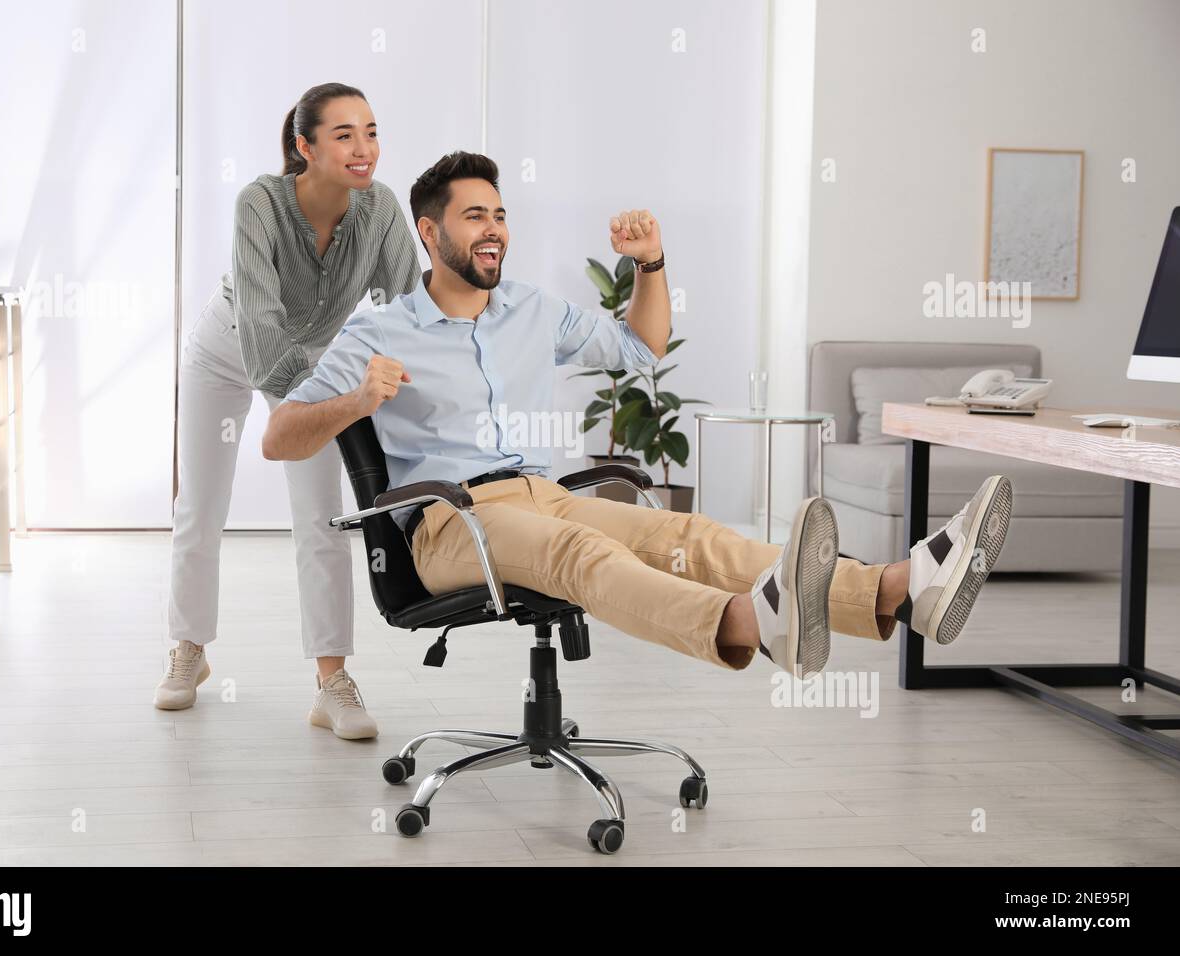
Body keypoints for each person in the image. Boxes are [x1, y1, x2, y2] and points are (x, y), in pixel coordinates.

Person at [260, 151, 1012, 679]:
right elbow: (278, 439)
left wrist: (649, 265)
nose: (492, 230)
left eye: (499, 214)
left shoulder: (529, 310)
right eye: (472, 217)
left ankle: (895, 589)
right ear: (429, 233)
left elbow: (641, 348)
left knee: (680, 533)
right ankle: (755, 624)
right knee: (586, 561)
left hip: (539, 495)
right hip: (448, 522)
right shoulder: (378, 330)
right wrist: (359, 399)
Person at [154, 83, 420, 739]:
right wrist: (309, 408)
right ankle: (188, 649)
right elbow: (262, 326)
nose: (365, 148)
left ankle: (332, 683)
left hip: (313, 360)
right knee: (200, 506)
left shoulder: (381, 210)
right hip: (229, 347)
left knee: (322, 515)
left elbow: (406, 305)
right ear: (304, 147)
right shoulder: (260, 205)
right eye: (344, 135)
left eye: (372, 131)